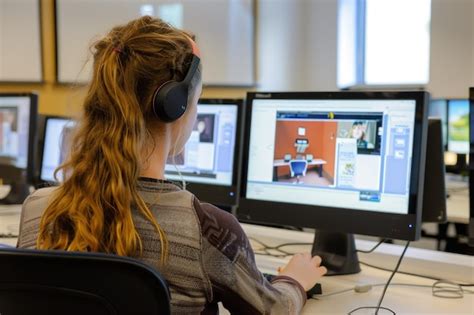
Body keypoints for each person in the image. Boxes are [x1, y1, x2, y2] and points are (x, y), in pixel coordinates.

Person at [16, 16, 326, 314]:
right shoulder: (206, 229)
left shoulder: (37, 210)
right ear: (175, 106)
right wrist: (294, 281)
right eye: (197, 101)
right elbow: (274, 309)